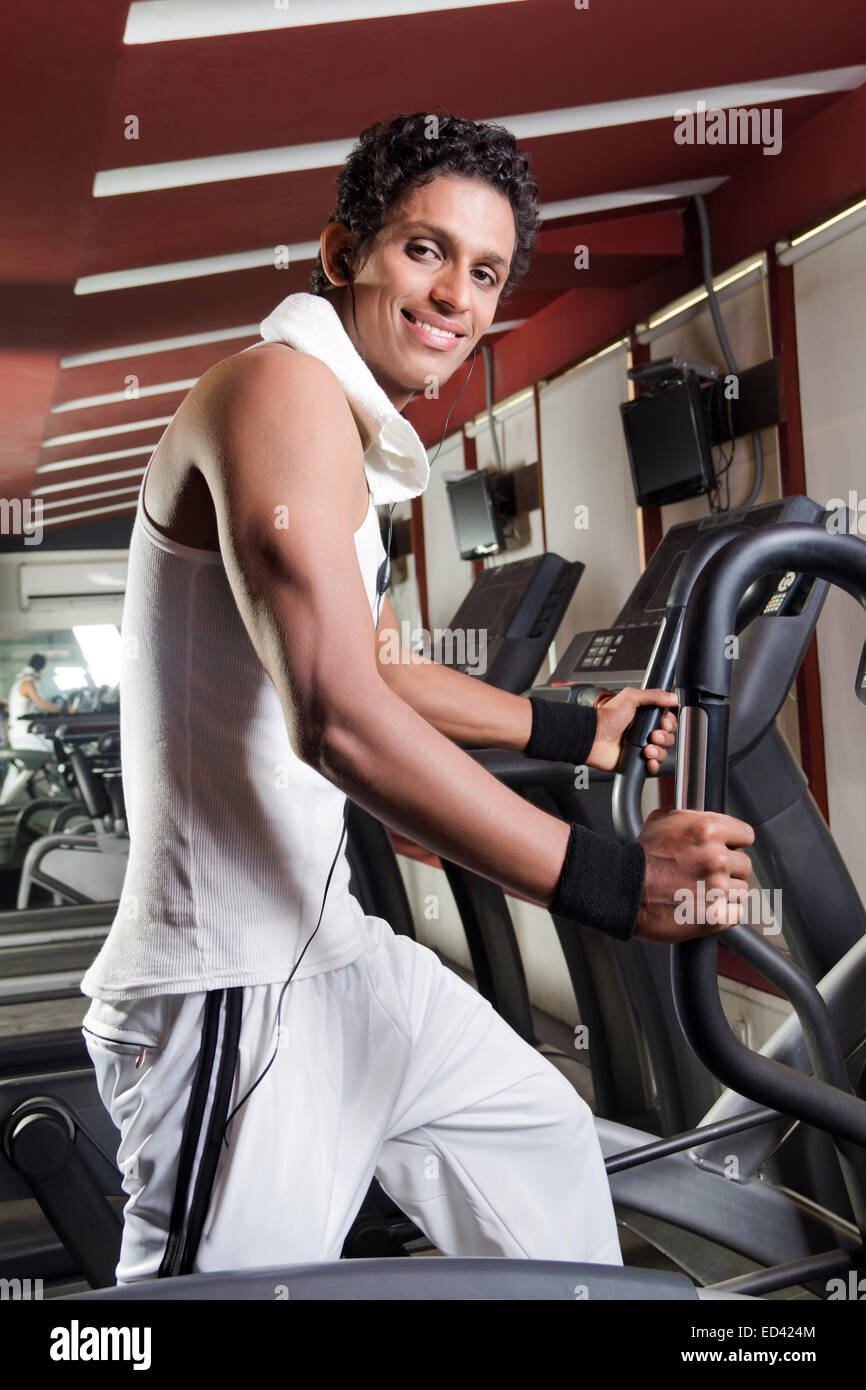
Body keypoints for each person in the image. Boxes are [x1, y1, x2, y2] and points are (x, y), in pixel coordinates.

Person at [80, 111, 754, 1286]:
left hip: (335, 951)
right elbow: (338, 714)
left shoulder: (338, 428)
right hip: (230, 982)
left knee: (540, 1149)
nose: (455, 295)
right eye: (423, 251)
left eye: (485, 271)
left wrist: (569, 726)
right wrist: (614, 881)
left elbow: (382, 662)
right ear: (343, 255)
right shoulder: (277, 397)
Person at [7, 654, 62, 751]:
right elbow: (40, 704)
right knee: (48, 752)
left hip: (20, 729)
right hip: (23, 731)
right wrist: (63, 710)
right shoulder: (27, 683)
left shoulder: (20, 682)